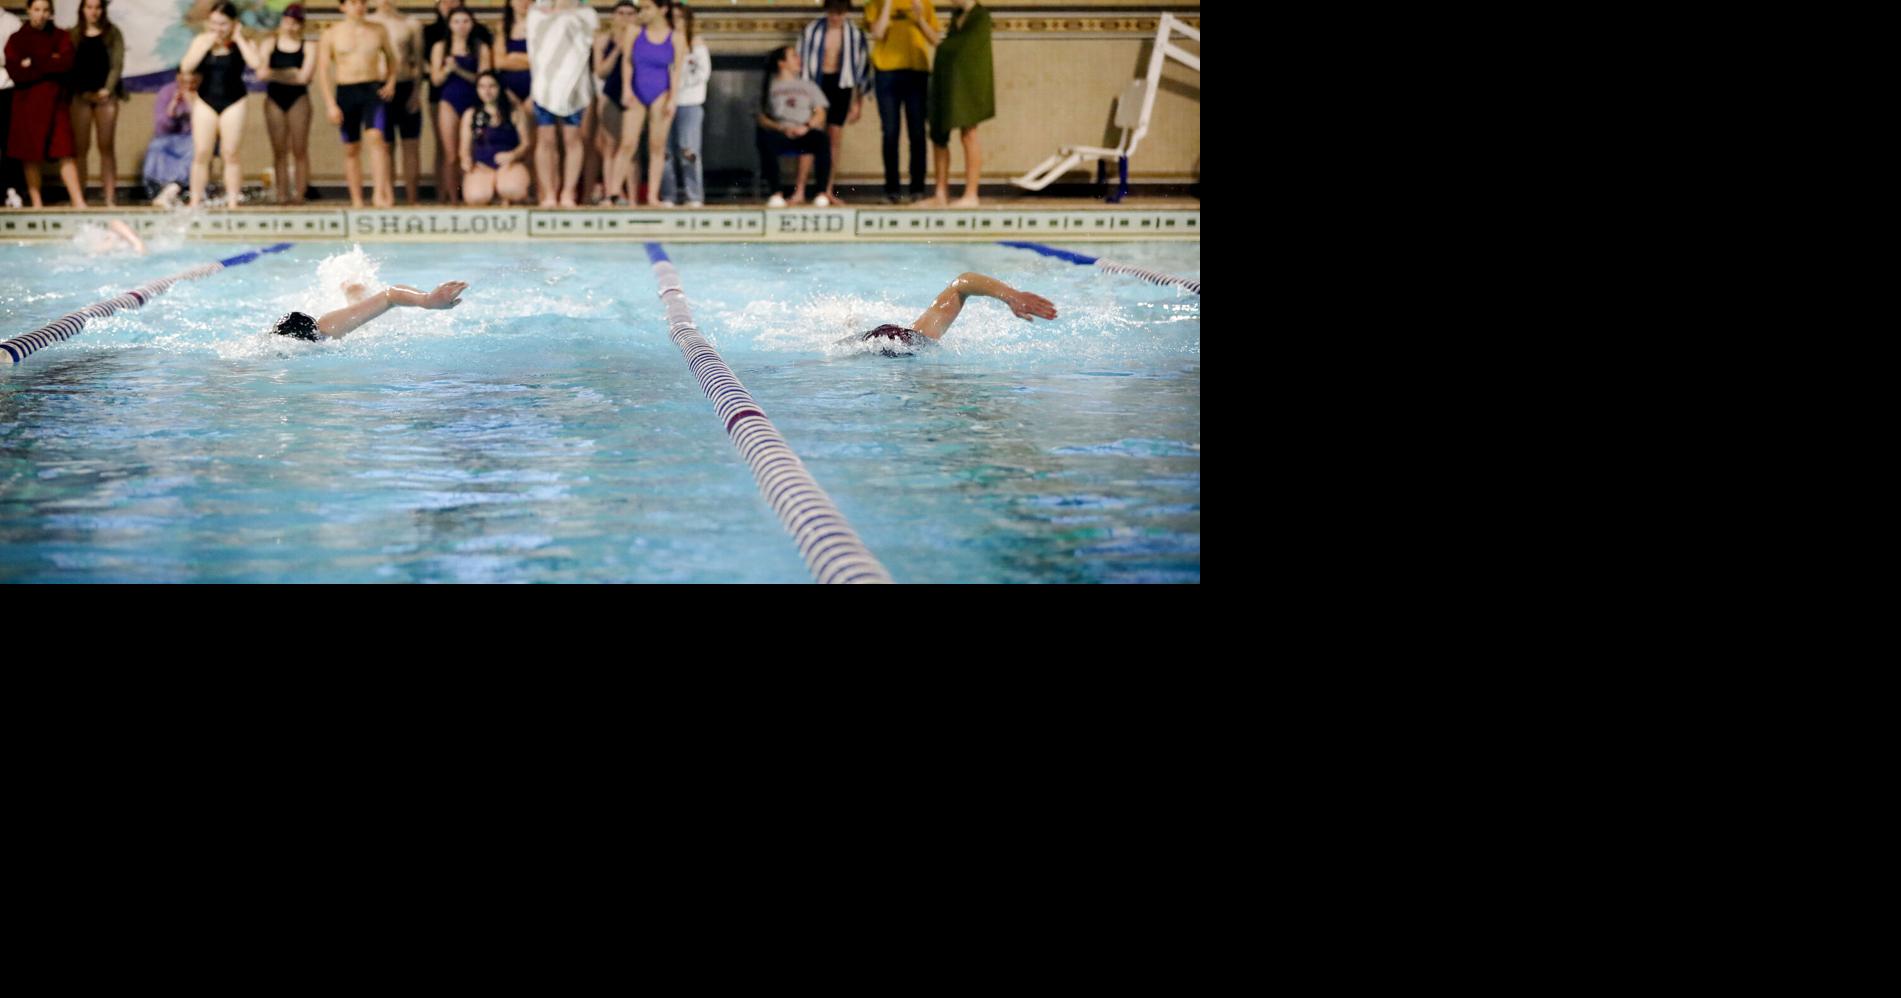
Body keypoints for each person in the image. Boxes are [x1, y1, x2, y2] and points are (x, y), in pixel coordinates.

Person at [845, 273, 1056, 356]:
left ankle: (850, 326)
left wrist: (1010, 295)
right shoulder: (920, 341)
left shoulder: (917, 339)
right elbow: (961, 285)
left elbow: (961, 283)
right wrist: (1009, 294)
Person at [180, 1, 265, 208]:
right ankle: (195, 200)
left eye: (223, 24)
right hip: (206, 100)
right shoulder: (201, 41)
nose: (218, 29)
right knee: (201, 152)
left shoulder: (243, 42)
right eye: (214, 23)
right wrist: (206, 45)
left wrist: (238, 38)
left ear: (234, 23)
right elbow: (186, 67)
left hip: (234, 101)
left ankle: (233, 202)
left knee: (230, 153)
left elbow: (256, 64)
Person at [318, 0, 399, 208]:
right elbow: (324, 70)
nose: (359, 7)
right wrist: (330, 104)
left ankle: (379, 194)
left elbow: (392, 58)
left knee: (377, 138)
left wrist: (390, 82)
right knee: (351, 147)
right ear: (343, 7)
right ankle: (357, 199)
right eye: (354, 3)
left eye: (362, 2)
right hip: (346, 90)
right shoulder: (332, 33)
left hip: (372, 89)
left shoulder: (378, 30)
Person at [4, 0, 86, 208]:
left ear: (51, 13)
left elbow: (66, 64)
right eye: (37, 10)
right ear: (29, 11)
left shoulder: (60, 36)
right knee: (30, 155)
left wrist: (33, 62)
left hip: (56, 102)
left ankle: (78, 201)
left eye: (45, 10)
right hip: (27, 103)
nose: (41, 15)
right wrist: (50, 60)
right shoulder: (17, 39)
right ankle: (36, 202)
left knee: (65, 152)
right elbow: (17, 73)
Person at [864, 0, 939, 204]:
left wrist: (920, 18)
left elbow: (934, 39)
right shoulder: (875, 4)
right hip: (886, 72)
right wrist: (887, 5)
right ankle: (892, 190)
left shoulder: (923, 2)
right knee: (890, 132)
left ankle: (917, 189)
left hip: (916, 72)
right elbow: (877, 34)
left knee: (917, 132)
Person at [606, 0, 679, 207]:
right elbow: (627, 62)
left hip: (661, 93)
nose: (642, 13)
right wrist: (627, 89)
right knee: (627, 143)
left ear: (662, 10)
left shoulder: (676, 37)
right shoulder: (634, 32)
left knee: (657, 146)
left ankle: (652, 196)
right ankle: (612, 194)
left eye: (647, 8)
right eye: (642, 8)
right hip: (637, 91)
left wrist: (672, 99)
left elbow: (676, 70)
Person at [525, 0, 596, 208]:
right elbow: (537, 35)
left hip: (573, 82)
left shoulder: (585, 12)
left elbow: (585, 35)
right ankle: (548, 193)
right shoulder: (538, 11)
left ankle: (568, 192)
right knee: (546, 137)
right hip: (545, 82)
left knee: (572, 137)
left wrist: (562, 15)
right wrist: (557, 15)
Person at [799, 0, 867, 205]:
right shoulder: (812, 30)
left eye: (840, 13)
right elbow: (801, 63)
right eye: (832, 13)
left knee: (834, 136)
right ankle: (800, 189)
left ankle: (826, 189)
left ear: (846, 12)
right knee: (811, 133)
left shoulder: (854, 34)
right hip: (817, 83)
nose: (836, 17)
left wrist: (858, 103)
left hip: (841, 85)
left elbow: (861, 70)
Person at [421, 0, 490, 201]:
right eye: (457, 21)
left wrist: (458, 69)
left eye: (465, 21)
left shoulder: (480, 47)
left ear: (471, 23)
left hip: (473, 102)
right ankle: (452, 198)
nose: (461, 26)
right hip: (448, 101)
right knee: (450, 154)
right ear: (450, 25)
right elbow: (435, 79)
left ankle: (470, 194)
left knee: (470, 152)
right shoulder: (440, 47)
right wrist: (446, 69)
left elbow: (483, 78)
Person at [925, 0, 990, 207]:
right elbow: (949, 48)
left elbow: (964, 50)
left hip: (968, 83)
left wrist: (940, 44)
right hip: (951, 81)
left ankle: (971, 194)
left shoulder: (980, 18)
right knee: (939, 135)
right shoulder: (957, 16)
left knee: (969, 133)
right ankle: (940, 192)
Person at [272, 278, 468, 341]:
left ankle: (353, 292)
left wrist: (426, 300)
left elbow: (390, 295)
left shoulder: (325, 330)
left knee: (360, 324)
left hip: (334, 326)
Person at [754, 45, 828, 208]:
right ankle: (776, 193)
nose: (798, 60)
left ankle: (821, 192)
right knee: (763, 138)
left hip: (804, 132)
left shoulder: (808, 86)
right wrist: (782, 129)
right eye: (794, 56)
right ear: (782, 63)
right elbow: (761, 117)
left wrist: (806, 127)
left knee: (822, 139)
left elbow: (820, 113)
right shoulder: (769, 87)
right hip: (780, 132)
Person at [69, 0, 126, 208]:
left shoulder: (112, 33)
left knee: (106, 147)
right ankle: (80, 198)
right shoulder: (74, 35)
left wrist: (107, 90)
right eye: (89, 7)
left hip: (106, 97)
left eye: (97, 7)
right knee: (80, 148)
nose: (93, 11)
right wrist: (83, 91)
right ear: (82, 10)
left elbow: (116, 65)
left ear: (103, 10)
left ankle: (110, 198)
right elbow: (70, 66)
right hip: (81, 96)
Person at [369, 0, 425, 205]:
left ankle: (412, 198)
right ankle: (387, 196)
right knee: (384, 145)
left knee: (411, 144)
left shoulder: (411, 24)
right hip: (379, 88)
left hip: (405, 85)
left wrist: (416, 93)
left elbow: (417, 62)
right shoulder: (368, 22)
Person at [262, 4, 314, 205]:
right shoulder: (270, 43)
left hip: (298, 99)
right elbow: (261, 73)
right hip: (274, 99)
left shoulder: (308, 46)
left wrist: (276, 74)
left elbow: (304, 78)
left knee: (299, 149)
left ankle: (299, 195)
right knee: (279, 150)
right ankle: (282, 195)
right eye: (287, 21)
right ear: (282, 21)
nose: (291, 26)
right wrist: (291, 72)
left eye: (295, 22)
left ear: (301, 25)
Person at [658, 3, 706, 207]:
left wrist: (678, 82)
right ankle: (668, 194)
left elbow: (702, 73)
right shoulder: (662, 44)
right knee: (664, 151)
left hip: (690, 102)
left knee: (689, 150)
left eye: (680, 17)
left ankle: (693, 195)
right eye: (673, 18)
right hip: (663, 102)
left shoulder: (696, 44)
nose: (676, 22)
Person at [460, 70, 528, 204]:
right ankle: (491, 187)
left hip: (509, 164)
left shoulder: (514, 112)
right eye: (482, 87)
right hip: (482, 166)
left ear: (500, 88)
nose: (487, 91)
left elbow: (526, 143)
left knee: (512, 189)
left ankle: (502, 190)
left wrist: (513, 155)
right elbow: (464, 147)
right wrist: (466, 161)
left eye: (492, 86)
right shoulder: (471, 114)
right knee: (476, 197)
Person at [589, 0, 633, 203]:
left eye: (630, 13)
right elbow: (601, 71)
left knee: (630, 148)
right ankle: (611, 193)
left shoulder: (640, 38)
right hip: (609, 93)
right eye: (621, 13)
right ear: (614, 17)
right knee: (610, 146)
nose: (625, 18)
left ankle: (631, 197)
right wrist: (618, 49)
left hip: (633, 94)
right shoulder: (603, 40)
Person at [495, 0, 534, 194]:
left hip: (535, 92)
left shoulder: (541, 25)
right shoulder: (503, 27)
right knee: (517, 138)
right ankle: (517, 186)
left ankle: (535, 188)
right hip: (509, 93)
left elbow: (544, 61)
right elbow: (500, 61)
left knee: (534, 141)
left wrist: (514, 58)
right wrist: (529, 60)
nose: (524, 3)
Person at [142, 71, 194, 205]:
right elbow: (161, 128)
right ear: (178, 77)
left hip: (192, 138)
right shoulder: (167, 92)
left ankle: (176, 187)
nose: (186, 85)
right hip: (168, 137)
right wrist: (172, 106)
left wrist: (190, 102)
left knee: (195, 148)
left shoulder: (203, 92)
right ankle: (160, 188)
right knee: (156, 147)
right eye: (183, 81)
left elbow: (203, 126)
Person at [0, 3, 24, 202]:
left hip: (7, 88)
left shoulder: (12, 22)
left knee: (9, 142)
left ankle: (11, 189)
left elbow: (15, 57)